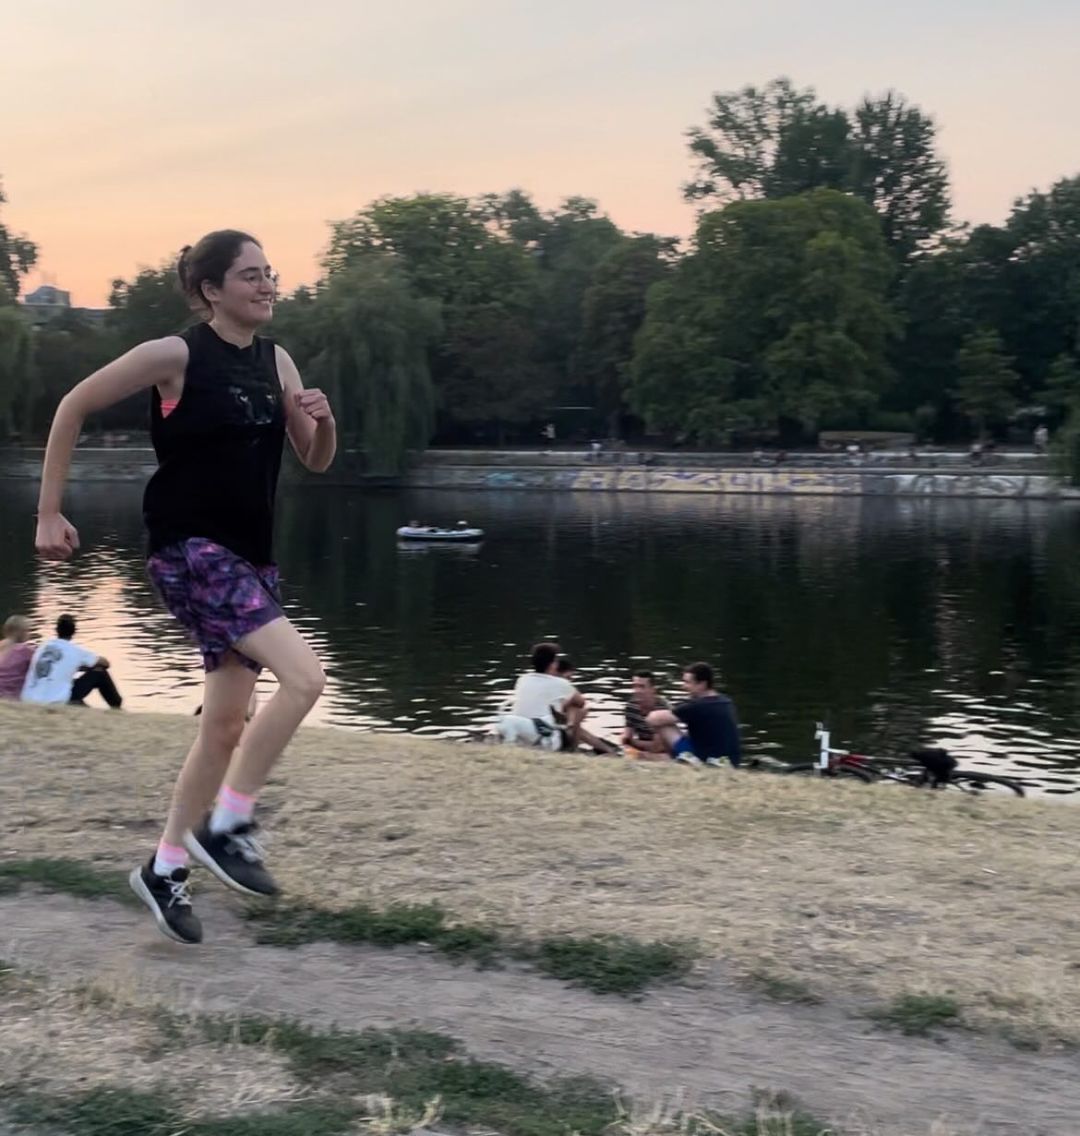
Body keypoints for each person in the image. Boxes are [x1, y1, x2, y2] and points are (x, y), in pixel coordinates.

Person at [33, 229, 336, 946]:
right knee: (306, 677)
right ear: (210, 290)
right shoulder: (175, 355)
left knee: (226, 725)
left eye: (271, 273)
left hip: (250, 558)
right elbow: (71, 405)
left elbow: (314, 460)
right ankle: (228, 824)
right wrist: (48, 510)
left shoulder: (277, 361)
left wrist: (322, 423)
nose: (267, 286)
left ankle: (165, 867)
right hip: (191, 549)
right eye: (250, 275)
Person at [647, 662, 741, 768]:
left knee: (663, 725)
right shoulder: (726, 701)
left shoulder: (696, 706)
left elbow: (652, 719)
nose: (684, 686)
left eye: (688, 682)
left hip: (707, 760)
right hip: (732, 761)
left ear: (702, 684)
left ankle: (678, 761)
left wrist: (671, 711)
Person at [498, 642, 586, 751]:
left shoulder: (522, 679)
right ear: (552, 664)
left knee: (559, 713)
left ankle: (602, 748)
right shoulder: (560, 683)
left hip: (519, 732)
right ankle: (573, 749)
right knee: (577, 709)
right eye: (556, 660)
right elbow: (581, 702)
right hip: (544, 739)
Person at [21, 614, 122, 708]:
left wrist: (75, 667)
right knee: (100, 673)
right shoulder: (76, 651)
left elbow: (54, 665)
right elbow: (105, 663)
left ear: (56, 630)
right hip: (55, 701)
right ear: (74, 631)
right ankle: (117, 706)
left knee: (63, 680)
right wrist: (85, 667)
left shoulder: (42, 647)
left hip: (29, 698)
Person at [621, 671, 669, 758]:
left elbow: (658, 747)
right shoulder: (632, 705)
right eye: (635, 686)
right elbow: (625, 737)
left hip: (663, 749)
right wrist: (627, 743)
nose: (637, 691)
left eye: (642, 687)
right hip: (644, 746)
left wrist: (633, 742)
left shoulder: (662, 708)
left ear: (653, 689)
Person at [0, 615, 35, 700]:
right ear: (19, 632)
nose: (29, 633)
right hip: (11, 696)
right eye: (27, 630)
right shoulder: (25, 650)